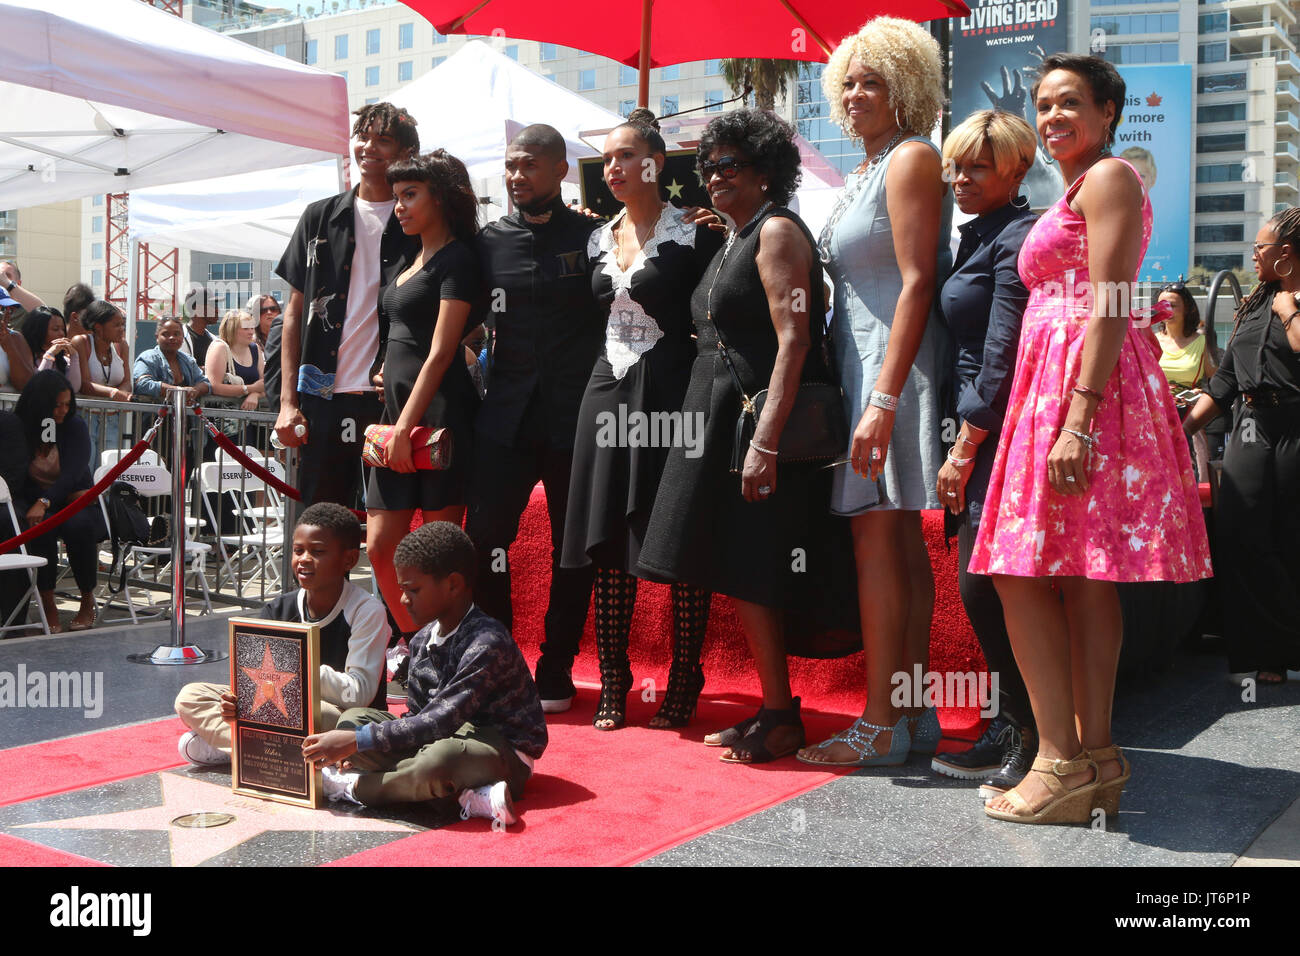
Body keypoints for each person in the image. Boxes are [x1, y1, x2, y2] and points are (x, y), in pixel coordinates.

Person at [969, 54, 1211, 824]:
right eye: (1043, 105)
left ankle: (1058, 757)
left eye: (1069, 102)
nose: (1050, 117)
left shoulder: (1108, 179)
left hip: (1079, 389)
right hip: (1065, 386)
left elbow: (1109, 300)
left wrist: (1078, 417)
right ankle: (1094, 756)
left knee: (1021, 570)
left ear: (1109, 112)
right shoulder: (1080, 186)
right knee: (1078, 574)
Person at [638, 109, 848, 763]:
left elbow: (795, 339)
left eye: (730, 164)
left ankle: (783, 717)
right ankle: (774, 709)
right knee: (740, 566)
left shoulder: (779, 231)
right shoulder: (736, 234)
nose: (714, 175)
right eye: (707, 166)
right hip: (717, 415)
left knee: (759, 567)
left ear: (766, 172)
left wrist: (764, 442)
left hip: (757, 424)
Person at [798, 17, 951, 767]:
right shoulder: (867, 167)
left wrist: (884, 400)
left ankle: (880, 723)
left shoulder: (913, 158)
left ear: (908, 88)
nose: (856, 93)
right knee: (893, 541)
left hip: (892, 368)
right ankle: (911, 715)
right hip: (866, 364)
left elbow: (920, 280)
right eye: (849, 80)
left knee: (877, 542)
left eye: (873, 81)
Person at [562, 119, 722, 731]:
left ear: (657, 161)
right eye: (607, 158)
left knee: (675, 530)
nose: (614, 167)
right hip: (606, 391)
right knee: (606, 538)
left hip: (674, 393)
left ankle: (685, 676)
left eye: (627, 155)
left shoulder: (696, 231)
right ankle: (613, 681)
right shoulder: (596, 238)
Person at [464, 124, 604, 713]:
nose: (517, 177)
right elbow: (458, 318)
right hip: (505, 420)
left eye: (529, 167)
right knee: (486, 539)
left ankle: (556, 665)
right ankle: (502, 659)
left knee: (575, 549)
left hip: (577, 418)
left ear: (560, 170)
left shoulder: (597, 236)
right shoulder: (488, 242)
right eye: (511, 167)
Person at [928, 110, 1039, 791]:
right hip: (976, 431)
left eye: (977, 167)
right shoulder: (979, 234)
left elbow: (1000, 354)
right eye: (957, 166)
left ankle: (1030, 736)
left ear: (1016, 170)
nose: (961, 178)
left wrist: (965, 443)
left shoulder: (1017, 236)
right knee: (985, 587)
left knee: (989, 585)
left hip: (997, 434)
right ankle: (1011, 725)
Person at [303, 522, 545, 827]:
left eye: (412, 589)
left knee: (438, 760)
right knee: (352, 720)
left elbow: (442, 721)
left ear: (453, 584)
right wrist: (359, 736)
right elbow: (417, 719)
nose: (403, 600)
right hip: (438, 737)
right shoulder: (421, 639)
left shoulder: (486, 641)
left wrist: (361, 742)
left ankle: (349, 787)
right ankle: (462, 796)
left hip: (500, 751)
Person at [270, 103, 421, 509]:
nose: (369, 147)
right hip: (322, 398)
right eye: (364, 137)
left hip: (390, 400)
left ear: (406, 151)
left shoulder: (421, 220)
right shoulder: (319, 216)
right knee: (319, 523)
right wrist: (287, 403)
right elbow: (294, 314)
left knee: (387, 529)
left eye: (384, 140)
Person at [174, 503, 391, 766]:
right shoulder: (279, 608)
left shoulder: (367, 611)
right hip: (278, 704)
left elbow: (360, 693)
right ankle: (273, 752)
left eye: (318, 551)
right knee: (191, 696)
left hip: (339, 717)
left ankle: (240, 746)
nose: (304, 559)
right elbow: (253, 679)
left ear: (350, 559)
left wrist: (298, 670)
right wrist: (233, 704)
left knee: (322, 714)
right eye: (298, 550)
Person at [366, 150, 481, 637]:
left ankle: (446, 646)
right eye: (397, 196)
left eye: (410, 195)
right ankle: (418, 641)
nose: (399, 206)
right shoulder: (409, 260)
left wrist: (405, 426)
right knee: (379, 546)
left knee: (439, 551)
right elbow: (401, 338)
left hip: (438, 417)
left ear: (441, 197)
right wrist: (382, 372)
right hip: (398, 417)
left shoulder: (458, 258)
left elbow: (440, 353)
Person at [1184, 207, 1300, 685]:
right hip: (1253, 422)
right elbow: (1225, 380)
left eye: (1261, 247)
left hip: (1295, 421)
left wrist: (1290, 309)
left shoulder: (1285, 303)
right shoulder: (1254, 304)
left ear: (1286, 253)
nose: (1253, 254)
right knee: (1241, 530)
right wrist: (1181, 429)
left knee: (1291, 534)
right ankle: (1265, 652)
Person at [14, 370, 105, 632]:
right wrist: (42, 503)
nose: (63, 411)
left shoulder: (74, 426)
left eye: (67, 404)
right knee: (40, 528)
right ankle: (48, 603)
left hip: (72, 499)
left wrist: (46, 500)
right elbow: (19, 474)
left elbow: (73, 474)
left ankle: (87, 599)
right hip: (39, 501)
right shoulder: (22, 427)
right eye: (57, 405)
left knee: (78, 526)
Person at [1157, 281, 1214, 479]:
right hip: (1155, 421)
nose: (1167, 310)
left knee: (1190, 480)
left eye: (1172, 305)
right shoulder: (1149, 340)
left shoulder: (1203, 342)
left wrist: (1202, 392)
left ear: (1187, 308)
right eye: (1161, 305)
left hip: (1189, 422)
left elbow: (1217, 385)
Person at [70, 299, 132, 454]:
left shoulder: (122, 346)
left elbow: (127, 382)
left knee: (109, 470)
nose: (121, 329)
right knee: (86, 469)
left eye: (122, 324)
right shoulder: (81, 342)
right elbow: (84, 384)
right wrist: (112, 393)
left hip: (112, 419)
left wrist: (123, 393)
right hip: (86, 418)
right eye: (116, 325)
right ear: (98, 327)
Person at [132, 315, 211, 402]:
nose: (172, 338)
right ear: (157, 337)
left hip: (186, 415)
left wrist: (195, 391)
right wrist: (178, 391)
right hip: (155, 414)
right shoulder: (148, 358)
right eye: (166, 334)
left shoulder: (188, 360)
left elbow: (205, 383)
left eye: (176, 334)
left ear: (183, 336)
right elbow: (141, 384)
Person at [205, 308, 265, 412]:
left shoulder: (255, 349)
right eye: (246, 328)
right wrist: (250, 389)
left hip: (248, 418)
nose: (251, 332)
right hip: (222, 417)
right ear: (231, 329)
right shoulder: (220, 348)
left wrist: (255, 395)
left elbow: (265, 384)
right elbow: (214, 386)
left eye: (252, 328)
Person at [0, 261, 38, 391]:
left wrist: (10, 347)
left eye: (9, 308)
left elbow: (44, 312)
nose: (6, 313)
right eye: (2, 308)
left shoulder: (15, 338)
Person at [25, 306, 81, 393]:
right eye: (55, 329)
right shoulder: (26, 357)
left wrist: (74, 356)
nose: (61, 333)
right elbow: (39, 386)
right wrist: (49, 355)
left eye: (63, 329)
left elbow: (73, 388)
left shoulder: (64, 361)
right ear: (39, 331)